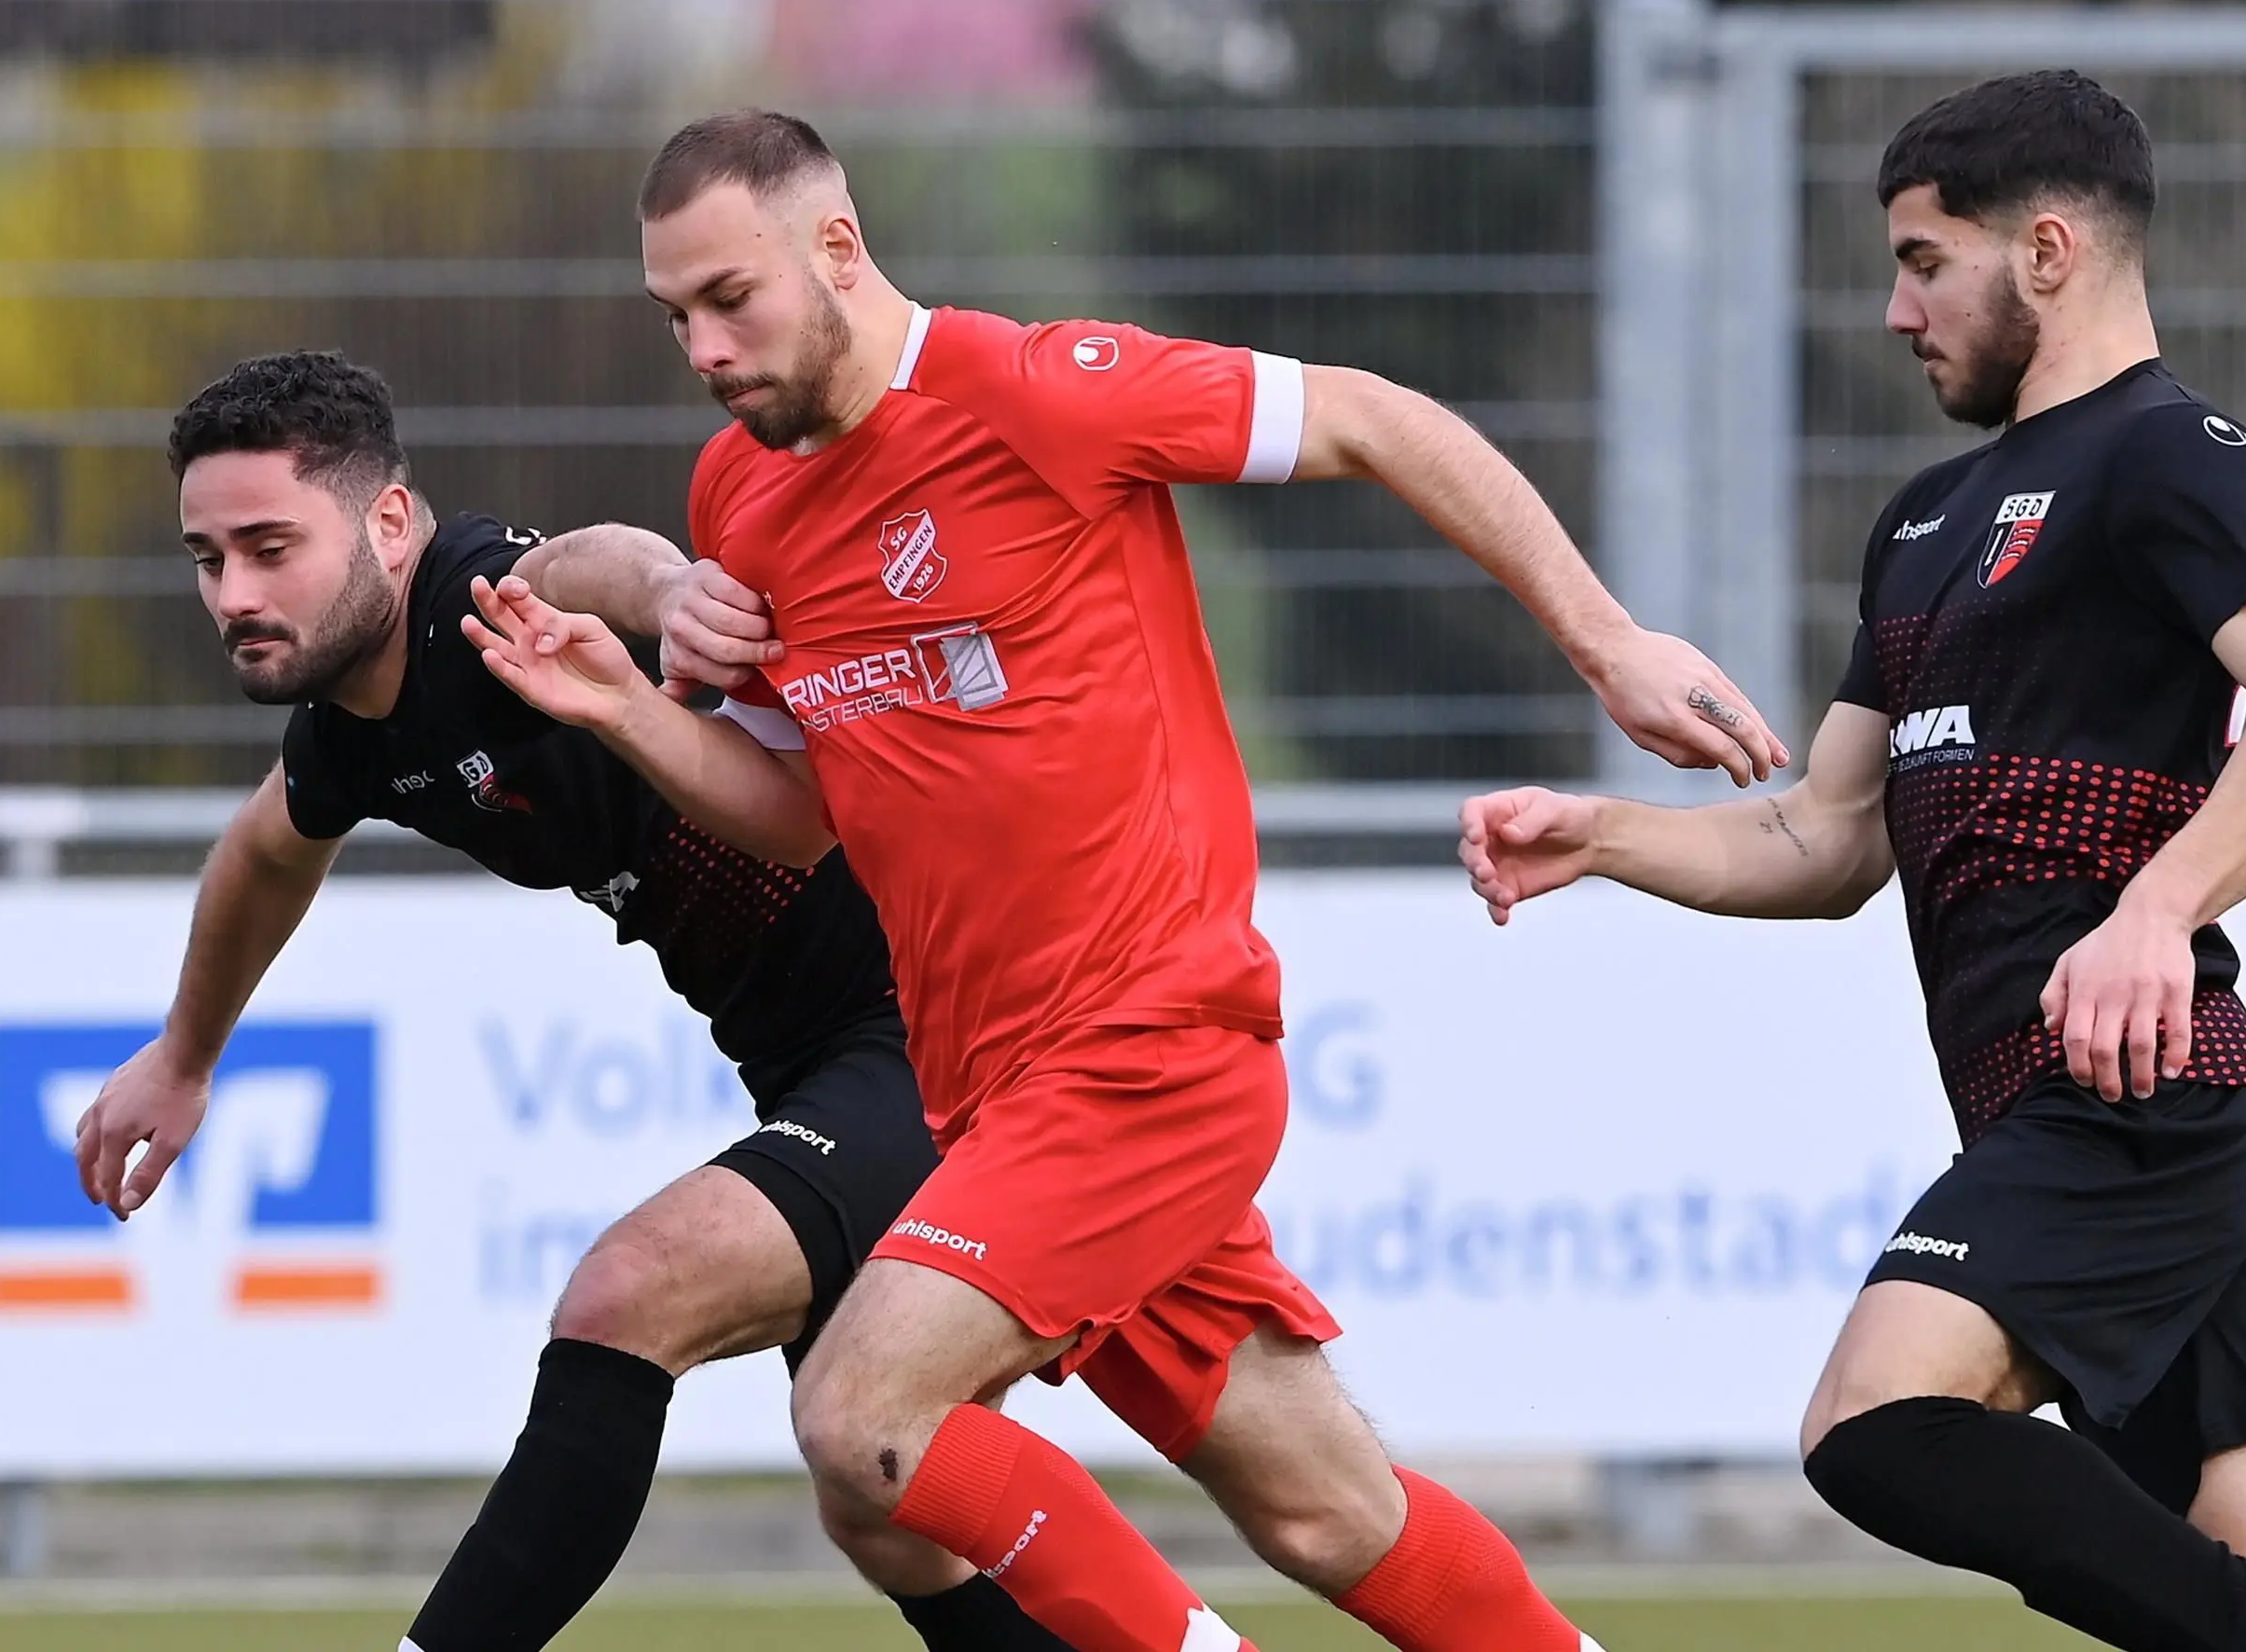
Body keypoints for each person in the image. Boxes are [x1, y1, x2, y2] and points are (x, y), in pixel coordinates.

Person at [462, 108, 1792, 1652]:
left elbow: (1369, 417)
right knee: (1324, 1511)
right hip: (994, 1102)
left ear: (836, 248)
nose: (703, 347)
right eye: (674, 315)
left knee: (862, 1415)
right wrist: (626, 712)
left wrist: (1607, 641)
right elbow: (805, 820)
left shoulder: (1038, 393)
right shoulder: (741, 502)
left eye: (729, 298)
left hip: (1147, 1055)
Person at [1460, 71, 2246, 1652]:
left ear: (2050, 252)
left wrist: (2156, 909)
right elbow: (1829, 834)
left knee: (1878, 1424)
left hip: (2138, 1102)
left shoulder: (2170, 455)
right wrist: (1605, 838)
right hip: (2065, 1110)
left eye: (1925, 262)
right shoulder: (1926, 523)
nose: (1896, 310)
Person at [71, 351, 1072, 1652]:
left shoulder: (476, 610)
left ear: (390, 522)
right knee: (888, 1498)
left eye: (272, 548)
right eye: (209, 560)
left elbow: (583, 563)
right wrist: (185, 1056)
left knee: (630, 1293)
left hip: (949, 1037)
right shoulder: (350, 730)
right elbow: (266, 852)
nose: (236, 595)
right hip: (824, 1067)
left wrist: (675, 591)